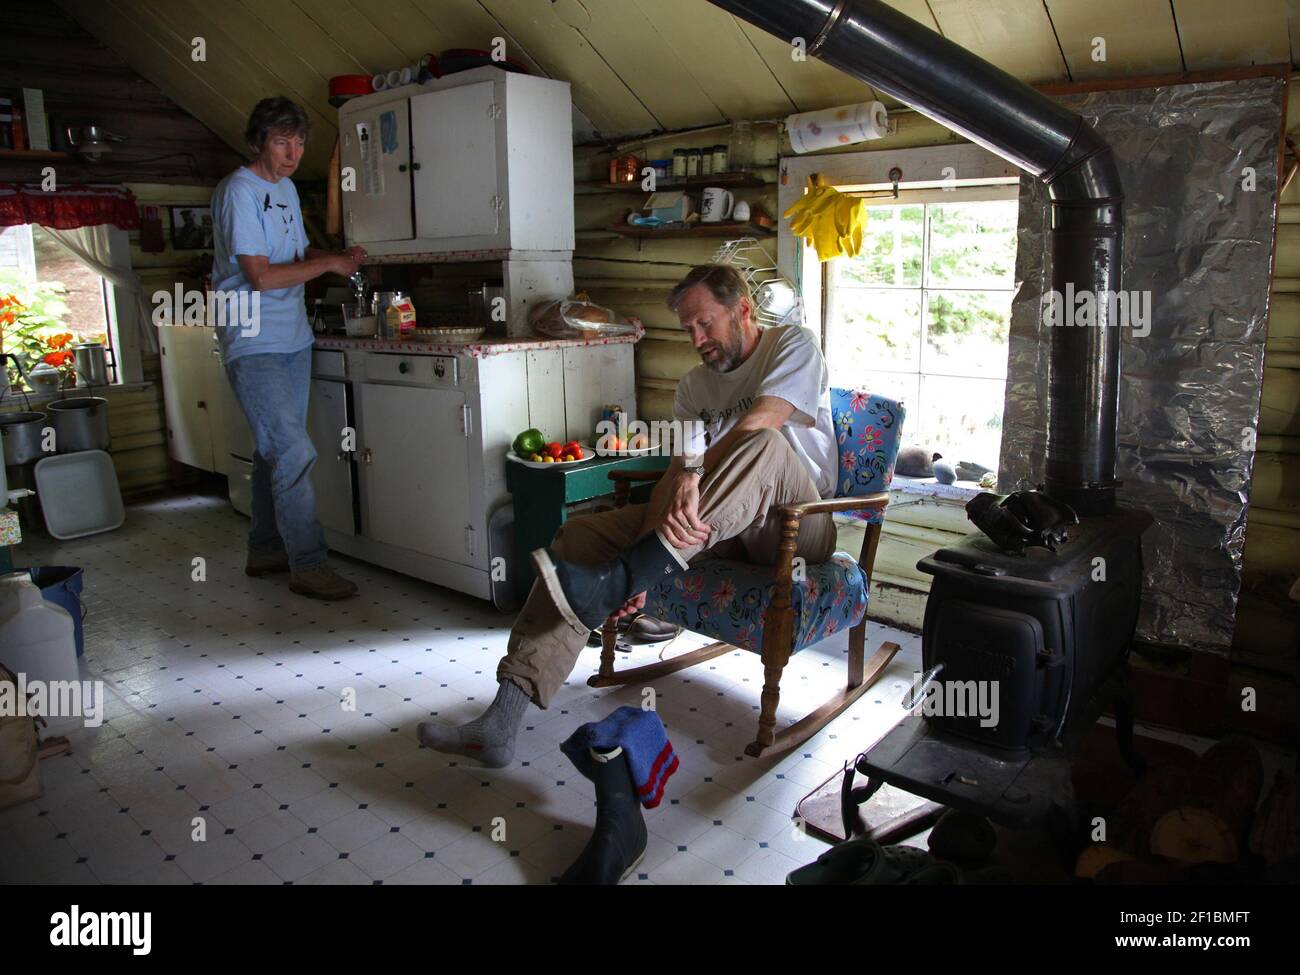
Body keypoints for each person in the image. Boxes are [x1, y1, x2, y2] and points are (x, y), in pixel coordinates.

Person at [419, 264, 840, 765]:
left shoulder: (792, 345)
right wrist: (675, 488)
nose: (697, 338)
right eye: (688, 329)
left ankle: (634, 570)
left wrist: (691, 478)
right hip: (719, 525)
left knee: (763, 441)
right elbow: (678, 473)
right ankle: (501, 722)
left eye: (705, 323)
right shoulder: (692, 389)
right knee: (581, 536)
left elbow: (762, 420)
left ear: (743, 310)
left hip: (796, 523)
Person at [211, 96, 364, 600]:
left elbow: (297, 255)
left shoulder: (288, 188)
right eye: (282, 141)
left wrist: (336, 258)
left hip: (293, 337)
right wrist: (327, 267)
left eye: (299, 142)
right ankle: (308, 564)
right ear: (259, 141)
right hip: (253, 340)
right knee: (293, 450)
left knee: (273, 451)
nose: (293, 151)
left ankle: (266, 548)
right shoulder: (240, 191)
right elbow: (259, 275)